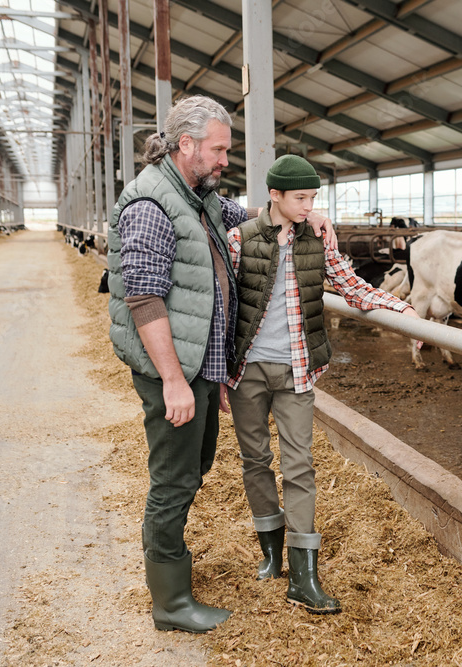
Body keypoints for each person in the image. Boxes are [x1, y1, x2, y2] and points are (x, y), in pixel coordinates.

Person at [106, 95, 335, 633]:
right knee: (172, 480)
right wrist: (173, 382)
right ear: (186, 144)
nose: (225, 160)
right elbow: (144, 298)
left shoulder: (200, 197)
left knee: (193, 469)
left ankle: (173, 581)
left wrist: (305, 213)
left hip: (202, 366)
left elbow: (252, 216)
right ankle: (170, 602)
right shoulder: (151, 204)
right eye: (218, 150)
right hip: (175, 370)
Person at [224, 154, 419, 614]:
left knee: (300, 466)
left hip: (297, 368)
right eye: (301, 198)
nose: (309, 206)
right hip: (246, 369)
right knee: (255, 460)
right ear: (274, 195)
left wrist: (401, 308)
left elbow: (351, 286)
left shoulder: (317, 238)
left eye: (313, 198)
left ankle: (304, 575)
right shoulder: (239, 240)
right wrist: (215, 374)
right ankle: (271, 554)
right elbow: (223, 307)